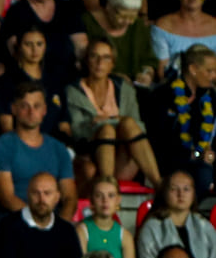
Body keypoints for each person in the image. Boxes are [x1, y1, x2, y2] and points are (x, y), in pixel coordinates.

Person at [67, 37, 160, 187]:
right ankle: (106, 185)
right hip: (91, 156)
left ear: (112, 64)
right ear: (86, 60)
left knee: (128, 123)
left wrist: (106, 119)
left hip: (124, 160)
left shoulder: (125, 89)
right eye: (94, 56)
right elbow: (78, 132)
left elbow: (139, 127)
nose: (99, 63)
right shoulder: (73, 91)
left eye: (106, 58)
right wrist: (113, 120)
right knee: (107, 130)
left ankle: (158, 184)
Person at [0, 81, 76, 217]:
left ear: (44, 110)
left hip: (52, 224)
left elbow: (70, 198)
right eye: (25, 106)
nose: (31, 112)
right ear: (14, 109)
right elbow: (7, 198)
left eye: (37, 106)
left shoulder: (59, 148)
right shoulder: (2, 145)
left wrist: (59, 227)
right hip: (15, 222)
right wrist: (38, 224)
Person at [2, 0, 86, 78]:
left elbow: (81, 47)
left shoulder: (68, 9)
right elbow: (14, 54)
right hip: (31, 79)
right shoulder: (17, 12)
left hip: (67, 76)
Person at [150, 45, 216, 195]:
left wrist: (210, 153)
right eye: (210, 71)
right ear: (193, 69)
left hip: (199, 159)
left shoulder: (210, 97)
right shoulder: (164, 95)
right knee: (203, 173)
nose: (214, 76)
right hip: (170, 160)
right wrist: (196, 155)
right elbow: (158, 139)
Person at [137, 173, 216, 258]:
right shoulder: (151, 228)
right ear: (165, 193)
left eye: (186, 189)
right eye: (174, 189)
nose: (181, 194)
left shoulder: (205, 226)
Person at [0, 23, 69, 140]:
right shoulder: (8, 81)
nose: (34, 50)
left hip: (54, 146)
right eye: (28, 44)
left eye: (39, 44)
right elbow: (6, 125)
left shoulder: (54, 80)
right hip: (22, 145)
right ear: (18, 46)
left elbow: (64, 124)